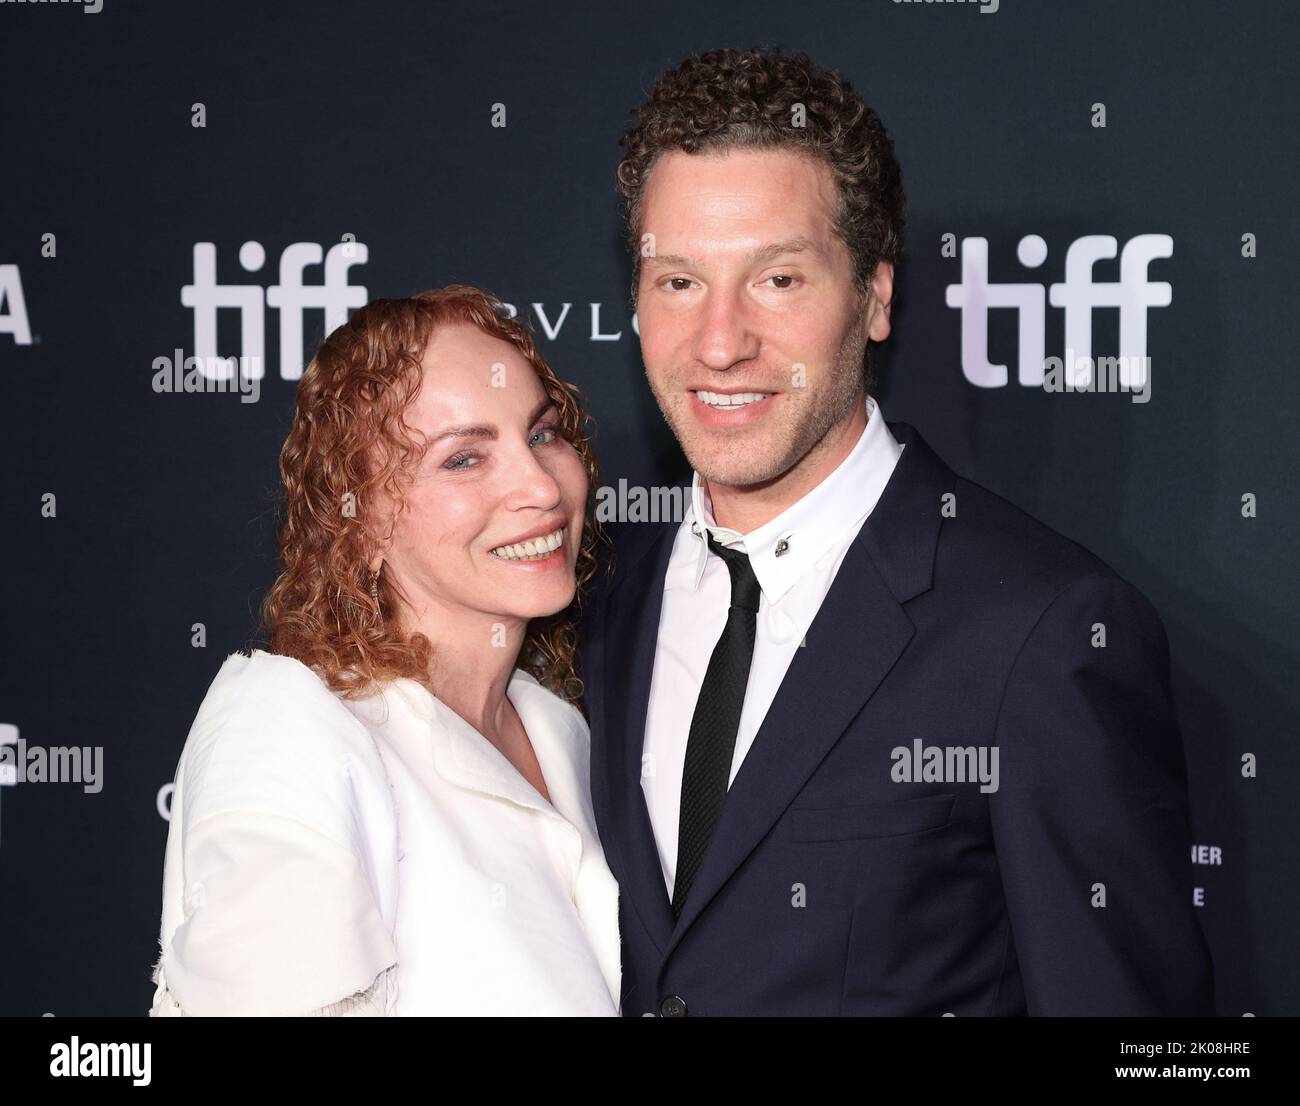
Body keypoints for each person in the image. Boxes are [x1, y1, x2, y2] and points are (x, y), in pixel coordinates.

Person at [578, 46, 1216, 1016]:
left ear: (875, 297)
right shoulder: (591, 602)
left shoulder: (1043, 633)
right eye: (677, 282)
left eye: (778, 279)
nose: (718, 340)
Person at [149, 285, 621, 1016]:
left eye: (542, 434)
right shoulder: (293, 722)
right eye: (464, 459)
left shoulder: (566, 734)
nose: (538, 486)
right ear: (359, 520)